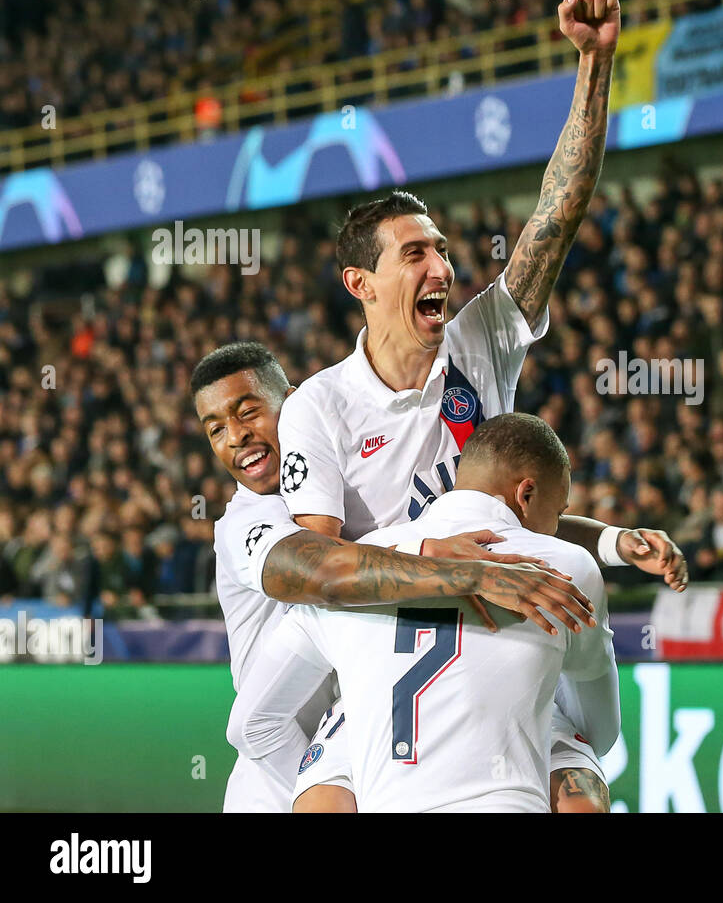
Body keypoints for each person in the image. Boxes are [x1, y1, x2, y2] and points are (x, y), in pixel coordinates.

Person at [275, 0, 683, 812]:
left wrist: (595, 64)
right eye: (416, 253)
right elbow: (304, 567)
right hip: (392, 648)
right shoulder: (319, 408)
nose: (442, 269)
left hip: (504, 635)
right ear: (361, 282)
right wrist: (453, 573)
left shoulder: (478, 343)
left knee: (577, 798)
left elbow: (556, 216)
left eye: (445, 251)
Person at [193, 343, 593, 812]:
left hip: (366, 754)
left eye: (248, 413)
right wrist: (444, 564)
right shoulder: (244, 524)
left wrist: (610, 542)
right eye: (216, 429)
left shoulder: (346, 496)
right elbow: (326, 573)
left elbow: (514, 523)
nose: (235, 436)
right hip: (284, 775)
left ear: (294, 403)